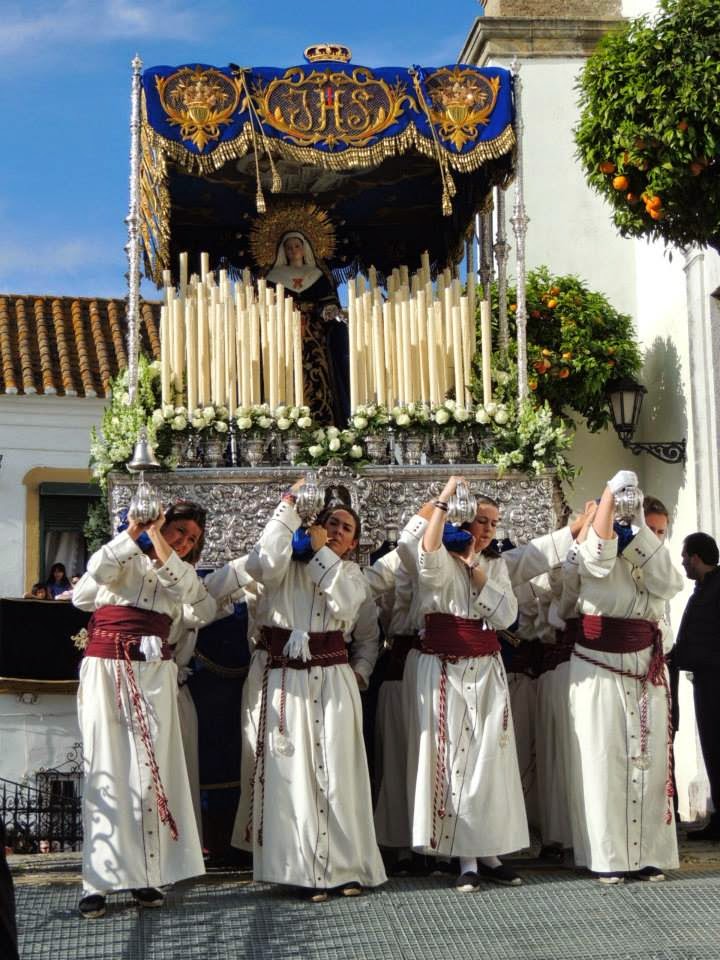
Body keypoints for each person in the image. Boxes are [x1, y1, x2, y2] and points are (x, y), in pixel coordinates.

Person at [234, 480, 386, 901]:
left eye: (345, 528)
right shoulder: (284, 568)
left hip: (333, 679)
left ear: (353, 543)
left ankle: (347, 866)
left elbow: (347, 605)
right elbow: (265, 559)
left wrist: (359, 672)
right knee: (293, 774)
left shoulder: (351, 573)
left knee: (339, 773)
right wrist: (288, 507)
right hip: (286, 679)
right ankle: (301, 870)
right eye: (330, 523)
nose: (337, 530)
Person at [72, 500, 216, 919]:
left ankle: (147, 875)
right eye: (179, 531)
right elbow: (88, 587)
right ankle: (97, 881)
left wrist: (162, 544)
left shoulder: (180, 575)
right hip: (107, 668)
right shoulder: (122, 557)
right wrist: (135, 534)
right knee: (106, 768)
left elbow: (197, 601)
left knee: (150, 774)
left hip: (154, 672)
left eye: (192, 540)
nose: (184, 542)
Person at [403, 476, 527, 891]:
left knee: (489, 759)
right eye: (480, 520)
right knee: (454, 759)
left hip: (486, 668)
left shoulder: (495, 565)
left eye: (494, 522)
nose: (489, 528)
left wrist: (476, 570)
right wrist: (442, 497)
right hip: (445, 667)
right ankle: (465, 856)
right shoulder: (439, 559)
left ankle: (489, 851)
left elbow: (507, 616)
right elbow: (426, 560)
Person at [568, 471, 684, 883]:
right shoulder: (595, 547)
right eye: (645, 528)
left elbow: (670, 583)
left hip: (645, 669)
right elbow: (598, 560)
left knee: (649, 763)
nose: (652, 537)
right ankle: (609, 855)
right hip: (600, 667)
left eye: (658, 532)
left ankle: (650, 853)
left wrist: (639, 534)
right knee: (606, 761)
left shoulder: (656, 561)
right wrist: (608, 499)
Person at [266, 231, 349, 425]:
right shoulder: (274, 276)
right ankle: (286, 423)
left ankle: (323, 423)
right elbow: (266, 305)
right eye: (289, 247)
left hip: (314, 336)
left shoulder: (316, 275)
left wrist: (329, 311)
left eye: (297, 246)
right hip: (285, 335)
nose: (293, 250)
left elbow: (328, 302)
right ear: (283, 251)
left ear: (304, 249)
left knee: (319, 375)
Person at [674, 531, 720, 841]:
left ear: (694, 558)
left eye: (684, 556)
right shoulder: (706, 588)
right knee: (713, 749)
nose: (681, 562)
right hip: (706, 680)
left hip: (716, 680)